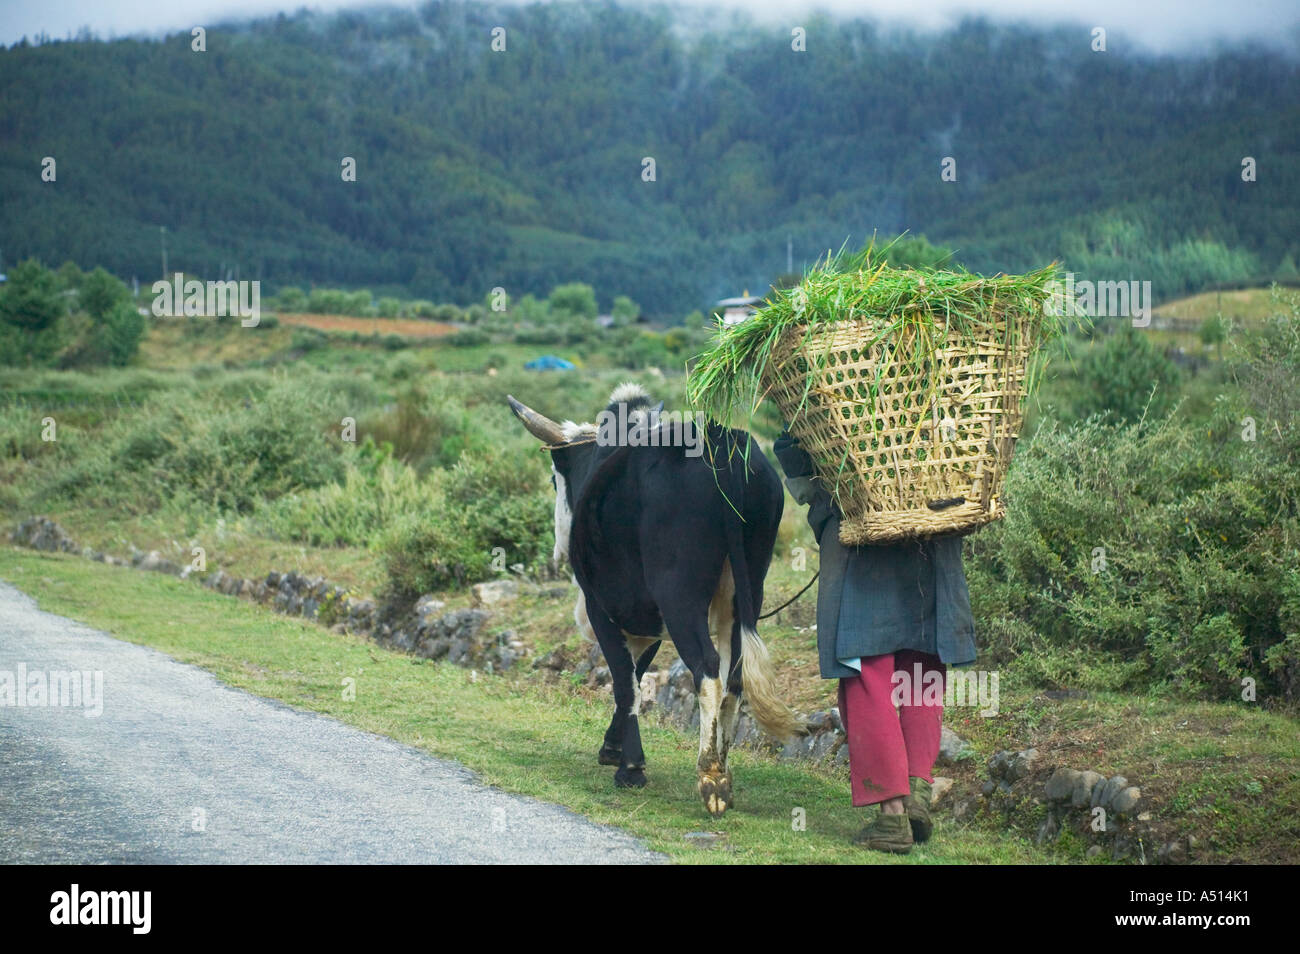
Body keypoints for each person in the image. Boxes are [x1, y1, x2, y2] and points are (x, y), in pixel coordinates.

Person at [773, 428, 976, 854]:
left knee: (866, 669)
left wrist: (825, 507)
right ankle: (918, 788)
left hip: (861, 533)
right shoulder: (940, 393)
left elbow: (795, 451)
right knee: (922, 666)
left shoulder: (833, 388)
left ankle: (891, 816)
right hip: (933, 525)